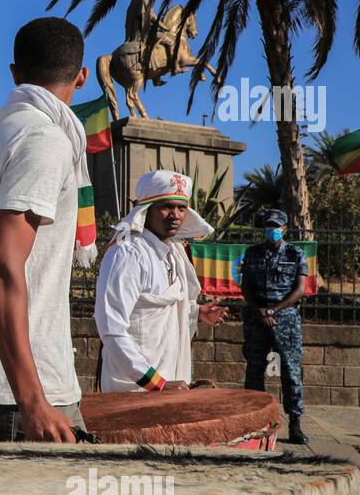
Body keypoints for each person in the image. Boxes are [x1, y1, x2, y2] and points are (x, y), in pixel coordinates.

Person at [0, 17, 94, 442]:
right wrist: (34, 401)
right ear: (83, 76)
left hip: (15, 386)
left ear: (15, 74)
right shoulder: (45, 142)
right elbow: (0, 269)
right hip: (29, 392)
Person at [94, 170, 227, 392]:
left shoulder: (175, 251)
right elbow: (111, 325)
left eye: (181, 208)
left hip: (172, 380)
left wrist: (196, 312)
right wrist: (155, 382)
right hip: (135, 386)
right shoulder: (127, 253)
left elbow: (160, 308)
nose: (175, 214)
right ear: (146, 210)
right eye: (166, 206)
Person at [240, 208, 308, 444]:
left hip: (285, 319)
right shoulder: (252, 253)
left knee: (291, 371)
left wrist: (273, 311)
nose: (272, 231)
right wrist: (259, 311)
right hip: (256, 318)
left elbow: (299, 290)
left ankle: (295, 424)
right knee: (254, 371)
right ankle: (253, 422)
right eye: (268, 227)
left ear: (285, 229)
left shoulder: (295, 254)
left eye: (276, 227)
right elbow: (245, 286)